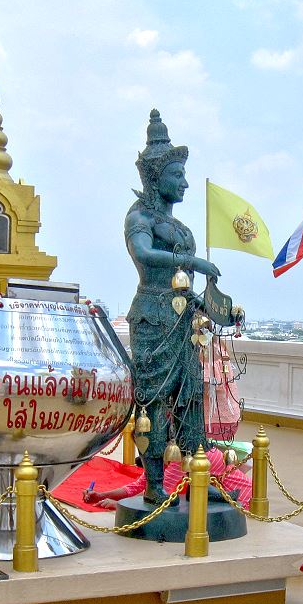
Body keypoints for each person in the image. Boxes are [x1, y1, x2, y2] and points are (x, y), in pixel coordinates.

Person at [124, 109, 220, 504]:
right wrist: (191, 263)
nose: (184, 183)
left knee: (190, 397)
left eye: (183, 174)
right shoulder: (138, 217)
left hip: (183, 320)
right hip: (152, 316)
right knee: (155, 401)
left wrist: (205, 303)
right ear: (154, 177)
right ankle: (154, 485)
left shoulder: (180, 227)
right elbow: (143, 253)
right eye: (176, 175)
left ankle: (199, 478)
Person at [83, 445, 252, 510]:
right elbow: (139, 485)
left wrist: (119, 505)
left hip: (241, 501)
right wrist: (102, 495)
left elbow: (156, 496)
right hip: (221, 498)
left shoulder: (181, 456)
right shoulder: (167, 454)